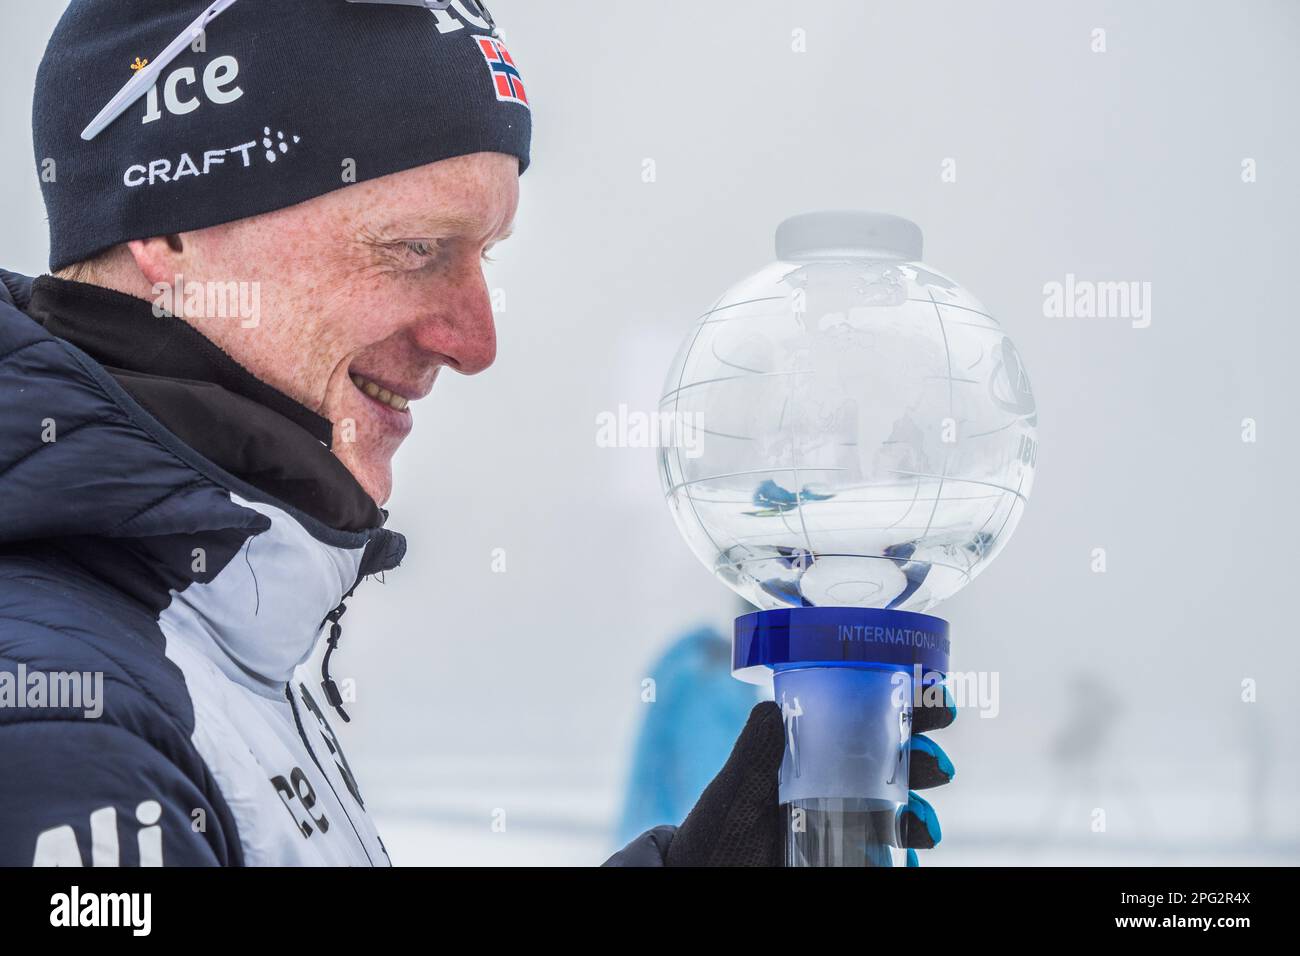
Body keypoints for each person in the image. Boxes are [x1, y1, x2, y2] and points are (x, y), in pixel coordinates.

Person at [0, 0, 953, 866]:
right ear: (170, 231)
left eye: (485, 254)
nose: (476, 341)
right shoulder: (73, 736)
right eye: (416, 249)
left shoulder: (217, 629)